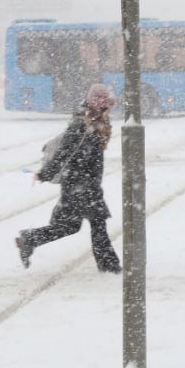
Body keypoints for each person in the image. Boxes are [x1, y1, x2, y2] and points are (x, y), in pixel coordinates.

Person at [16, 83, 121, 273]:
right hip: (79, 184)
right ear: (98, 105)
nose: (109, 111)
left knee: (70, 226)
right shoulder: (82, 126)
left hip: (83, 183)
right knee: (96, 224)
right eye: (106, 106)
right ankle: (109, 267)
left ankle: (30, 239)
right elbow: (64, 152)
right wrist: (45, 173)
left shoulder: (94, 123)